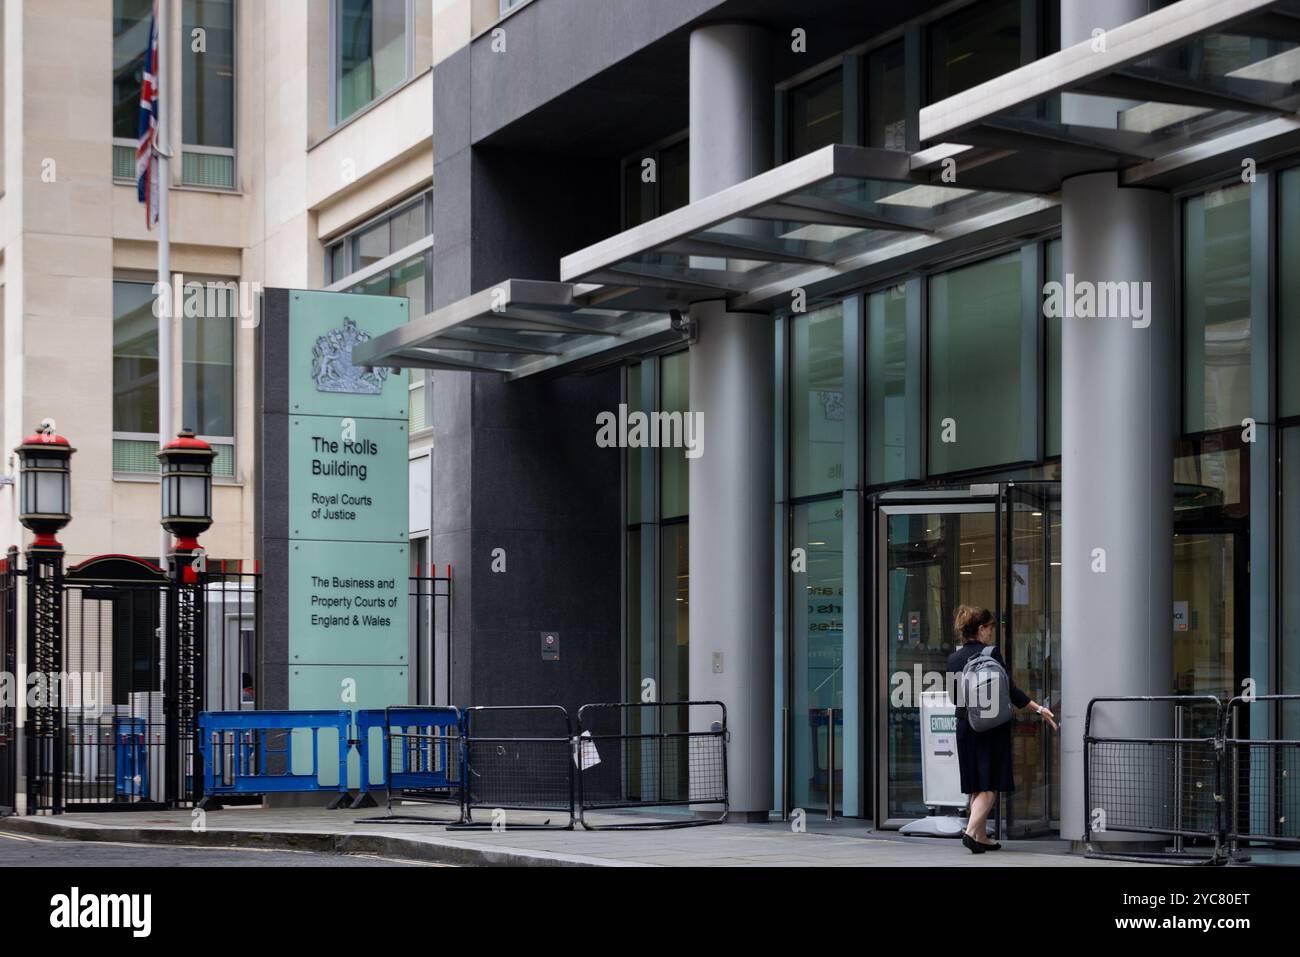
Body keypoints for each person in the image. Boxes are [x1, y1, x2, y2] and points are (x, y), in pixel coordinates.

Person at [946, 605, 1057, 853]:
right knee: (989, 786)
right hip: (991, 727)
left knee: (976, 785)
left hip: (965, 725)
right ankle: (970, 832)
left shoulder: (954, 658)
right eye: (991, 628)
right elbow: (1011, 689)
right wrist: (1039, 708)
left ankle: (981, 837)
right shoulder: (991, 653)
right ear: (982, 628)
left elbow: (955, 697)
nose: (992, 634)